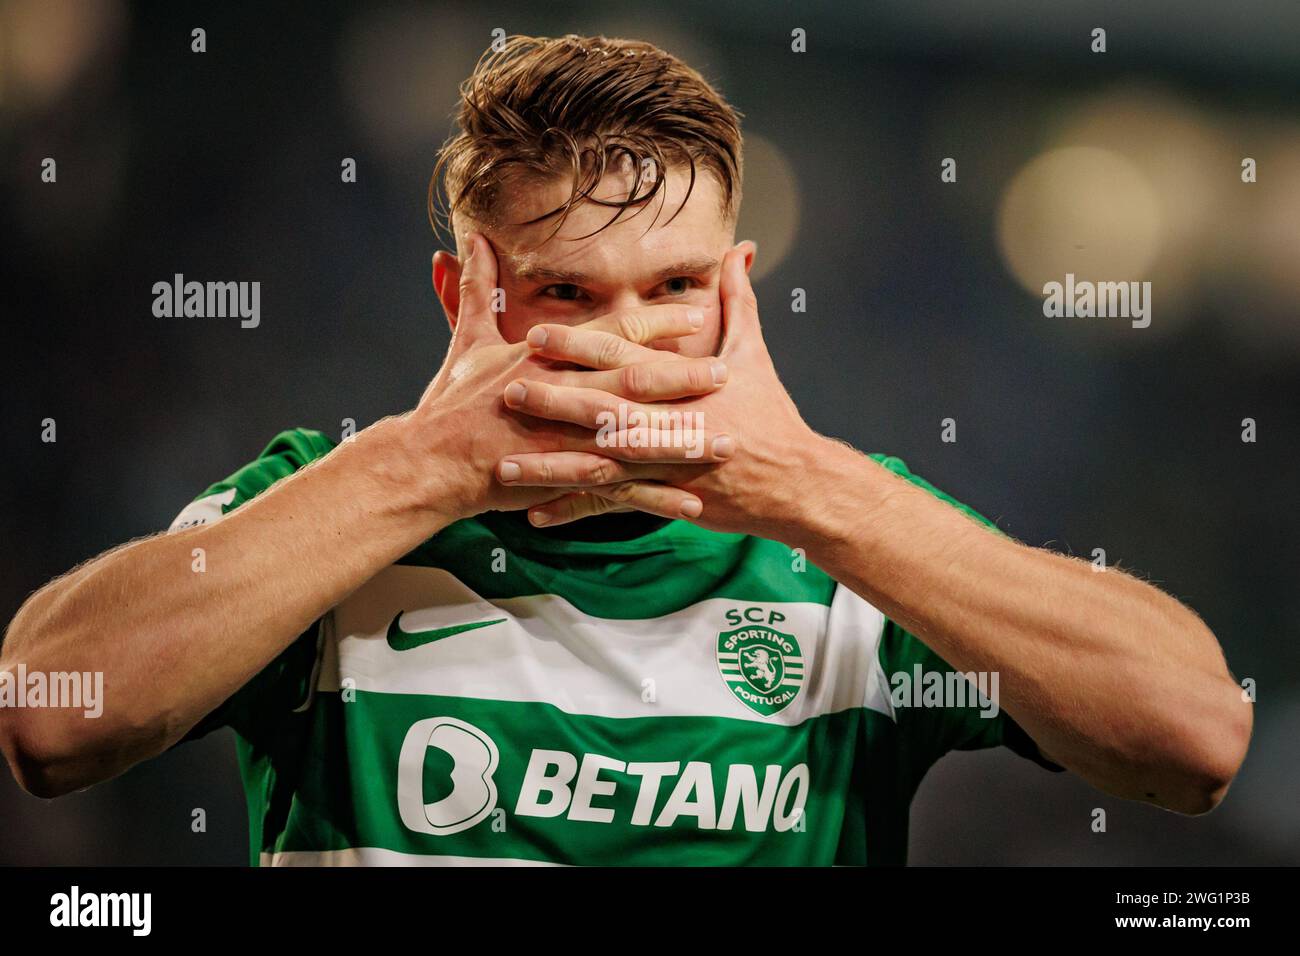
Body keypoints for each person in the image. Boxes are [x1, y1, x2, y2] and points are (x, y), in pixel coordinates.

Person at [0, 34, 1251, 866]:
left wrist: (810, 489)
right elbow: (48, 719)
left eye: (672, 285)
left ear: (737, 290)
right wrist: (423, 468)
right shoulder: (320, 516)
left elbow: (1194, 739)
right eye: (566, 293)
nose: (625, 342)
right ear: (463, 296)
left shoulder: (852, 545)